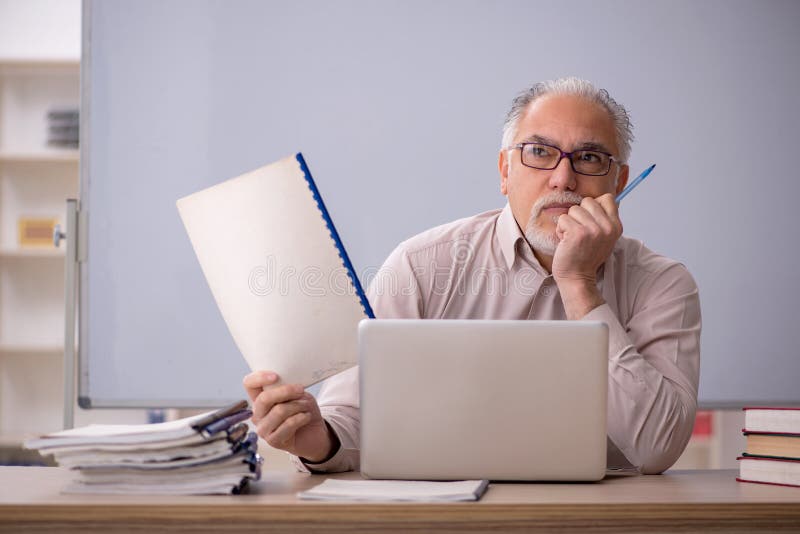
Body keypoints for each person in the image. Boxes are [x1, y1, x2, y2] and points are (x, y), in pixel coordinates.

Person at [243, 77, 701, 475]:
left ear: (617, 183)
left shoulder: (663, 285)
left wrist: (578, 283)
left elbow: (656, 448)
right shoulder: (421, 266)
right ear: (505, 171)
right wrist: (318, 439)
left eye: (589, 158)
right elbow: (353, 417)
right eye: (539, 152)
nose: (563, 178)